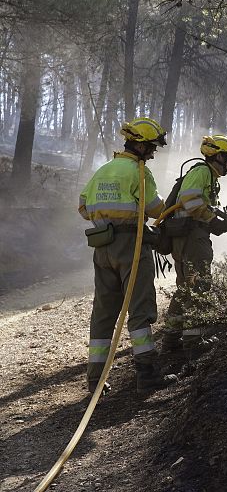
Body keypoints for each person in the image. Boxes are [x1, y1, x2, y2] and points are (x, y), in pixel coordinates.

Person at [78, 117, 172, 393]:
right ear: (140, 147)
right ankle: (147, 375)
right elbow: (156, 209)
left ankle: (95, 380)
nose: (154, 152)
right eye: (152, 147)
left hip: (102, 248)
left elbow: (83, 206)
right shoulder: (139, 171)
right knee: (140, 310)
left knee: (104, 313)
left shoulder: (104, 170)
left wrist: (106, 216)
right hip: (131, 246)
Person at [162, 134, 227, 351]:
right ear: (216, 156)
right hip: (192, 238)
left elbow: (203, 206)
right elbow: (190, 202)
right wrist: (213, 221)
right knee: (199, 285)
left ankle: (171, 338)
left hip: (188, 237)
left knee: (186, 287)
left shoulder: (207, 176)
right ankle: (193, 341)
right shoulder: (202, 172)